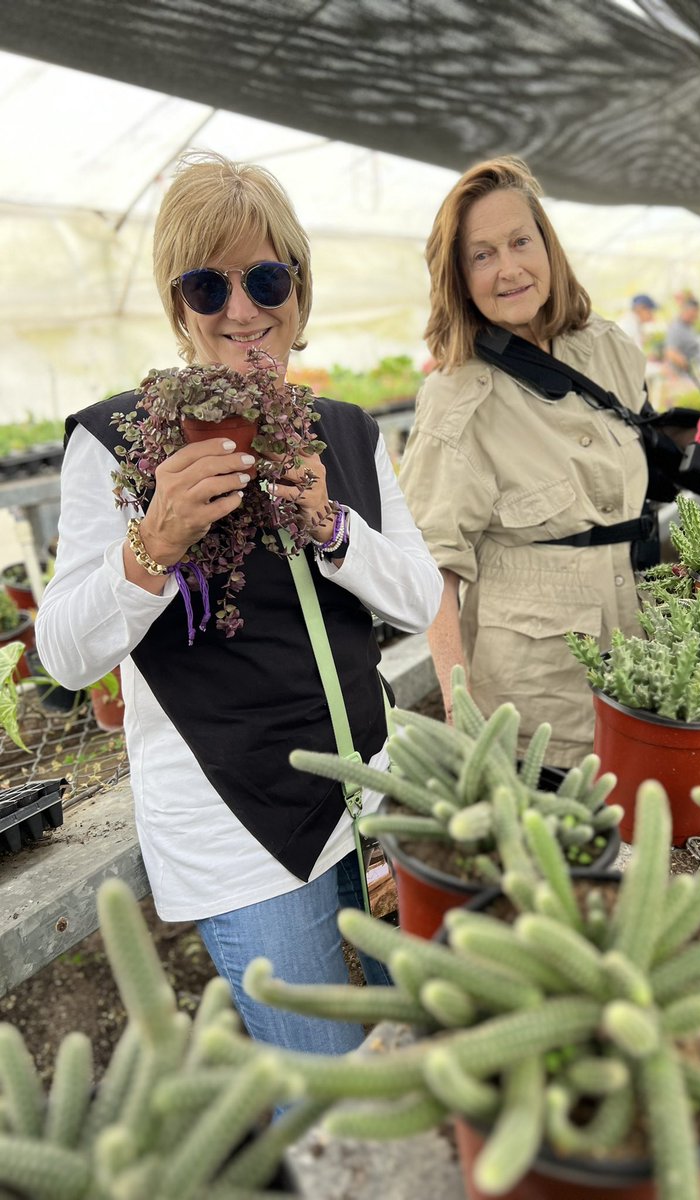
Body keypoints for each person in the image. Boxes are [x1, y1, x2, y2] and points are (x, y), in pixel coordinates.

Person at [35, 153, 443, 1056]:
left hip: (373, 800)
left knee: (426, 1054)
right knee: (325, 1092)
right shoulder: (116, 443)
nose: (242, 309)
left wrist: (334, 528)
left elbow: (420, 599)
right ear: (178, 307)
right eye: (207, 286)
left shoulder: (346, 432)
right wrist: (156, 543)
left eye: (265, 278)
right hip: (239, 833)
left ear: (298, 289)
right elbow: (62, 655)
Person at [398, 156, 700, 768]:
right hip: (536, 697)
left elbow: (645, 467)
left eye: (520, 241)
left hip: (645, 649)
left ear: (548, 245)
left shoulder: (608, 347)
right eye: (482, 255)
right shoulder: (456, 401)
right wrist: (460, 708)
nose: (509, 268)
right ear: (458, 276)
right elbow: (435, 568)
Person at [664, 293, 700, 376]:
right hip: (683, 374)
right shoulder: (676, 328)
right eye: (692, 314)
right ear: (685, 311)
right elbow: (670, 352)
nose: (695, 317)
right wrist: (687, 365)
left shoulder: (689, 326)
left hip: (695, 370)